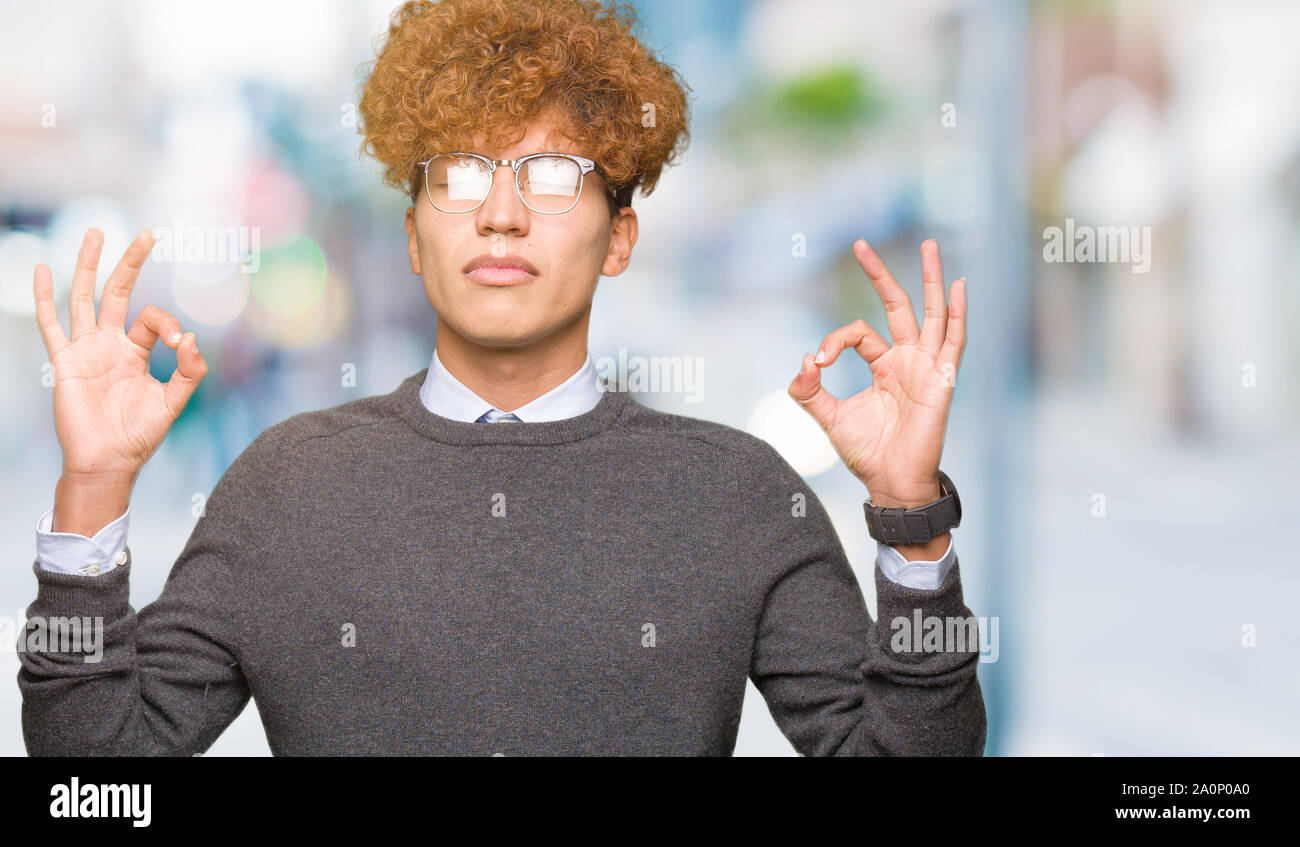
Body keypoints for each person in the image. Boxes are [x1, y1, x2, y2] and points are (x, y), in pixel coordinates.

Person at [20, 0, 984, 756]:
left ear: (620, 238)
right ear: (412, 234)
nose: (503, 214)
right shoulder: (285, 487)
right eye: (463, 175)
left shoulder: (742, 494)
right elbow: (88, 772)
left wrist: (914, 525)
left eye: (555, 175)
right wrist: (91, 493)